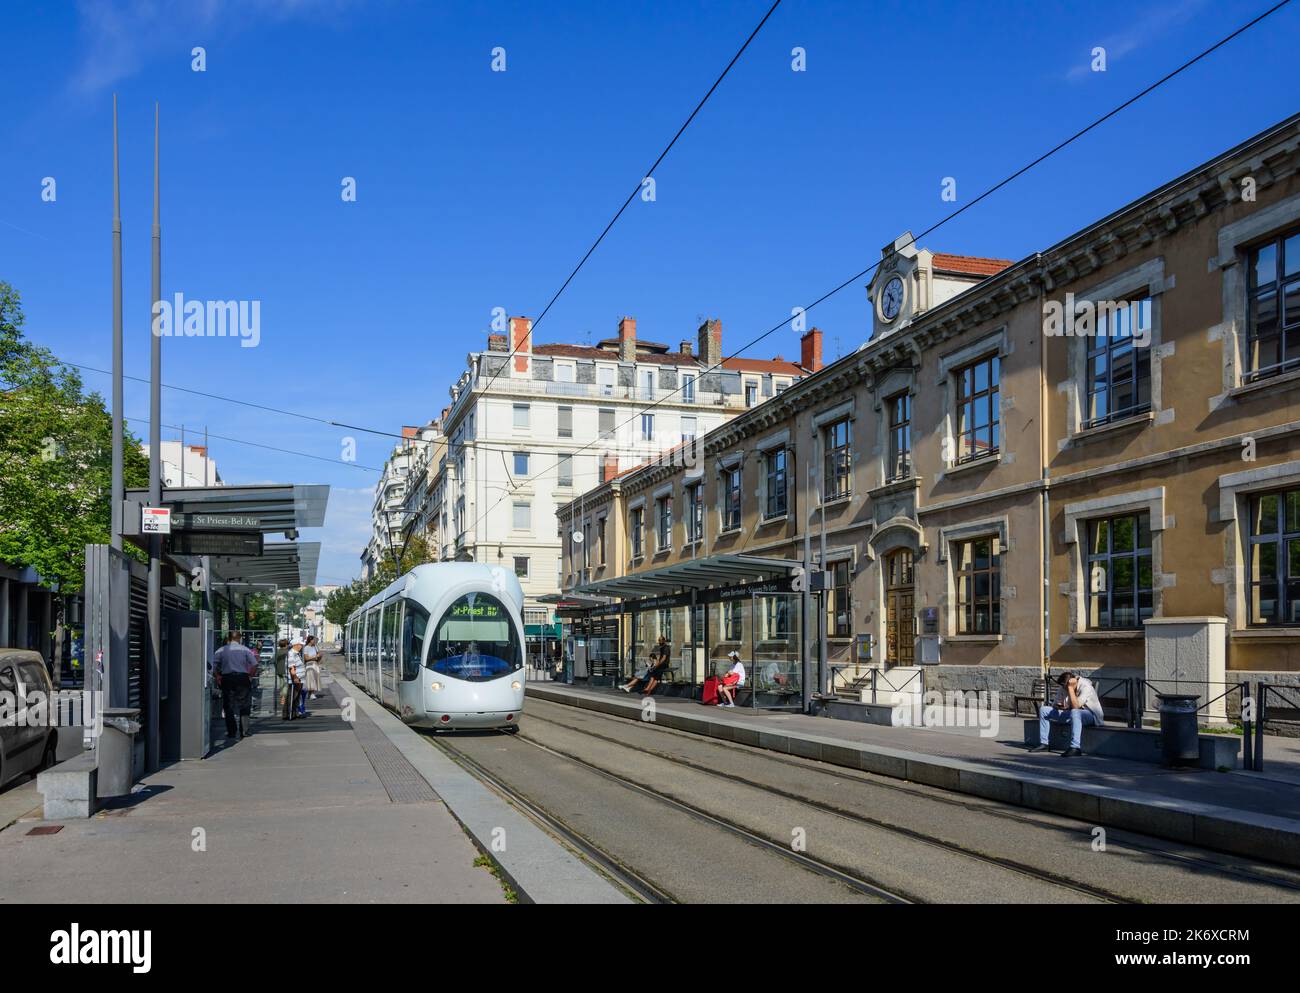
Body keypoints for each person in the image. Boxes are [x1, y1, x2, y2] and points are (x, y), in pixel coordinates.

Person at [1032, 671, 1105, 757]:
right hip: (1071, 714)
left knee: (1075, 712)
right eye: (1064, 687)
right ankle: (1044, 744)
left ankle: (1075, 748)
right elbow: (1054, 703)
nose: (1064, 689)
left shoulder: (1086, 687)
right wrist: (1059, 706)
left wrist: (1070, 688)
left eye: (1066, 687)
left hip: (1091, 716)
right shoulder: (1063, 687)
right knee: (1044, 710)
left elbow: (1076, 706)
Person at [213, 631, 259, 740]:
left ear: (229, 638)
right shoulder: (245, 649)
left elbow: (214, 666)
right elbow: (255, 664)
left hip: (227, 678)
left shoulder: (221, 650)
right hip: (242, 678)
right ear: (240, 638)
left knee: (228, 705)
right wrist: (250, 676)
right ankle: (244, 730)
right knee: (245, 704)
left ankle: (231, 731)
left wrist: (218, 677)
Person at [283, 639, 307, 721]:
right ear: (295, 645)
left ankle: (294, 713)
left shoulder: (296, 654)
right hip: (295, 679)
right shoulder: (291, 654)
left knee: (296, 697)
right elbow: (291, 667)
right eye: (300, 644)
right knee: (292, 697)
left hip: (299, 679)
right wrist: (295, 677)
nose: (301, 646)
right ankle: (289, 714)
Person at [302, 635, 323, 701]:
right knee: (311, 679)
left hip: (315, 664)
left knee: (315, 678)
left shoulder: (315, 647)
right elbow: (306, 658)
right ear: (310, 640)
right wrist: (315, 656)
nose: (315, 641)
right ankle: (311, 693)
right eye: (314, 640)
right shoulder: (306, 648)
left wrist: (319, 656)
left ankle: (311, 693)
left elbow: (318, 655)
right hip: (309, 664)